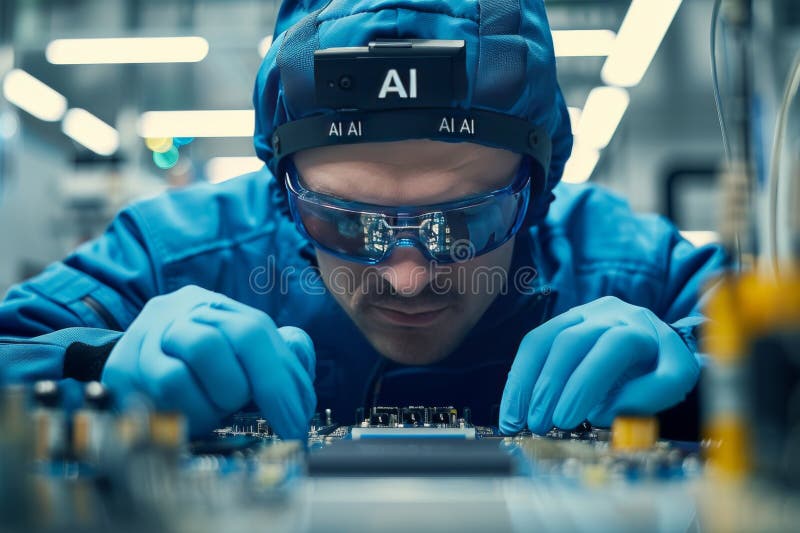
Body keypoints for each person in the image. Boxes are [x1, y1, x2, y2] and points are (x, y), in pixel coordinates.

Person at [0, 0, 723, 440]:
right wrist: (92, 367)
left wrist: (704, 373)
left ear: (534, 188)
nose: (408, 277)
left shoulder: (630, 268)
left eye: (463, 220)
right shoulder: (177, 252)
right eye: (348, 222)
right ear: (285, 192)